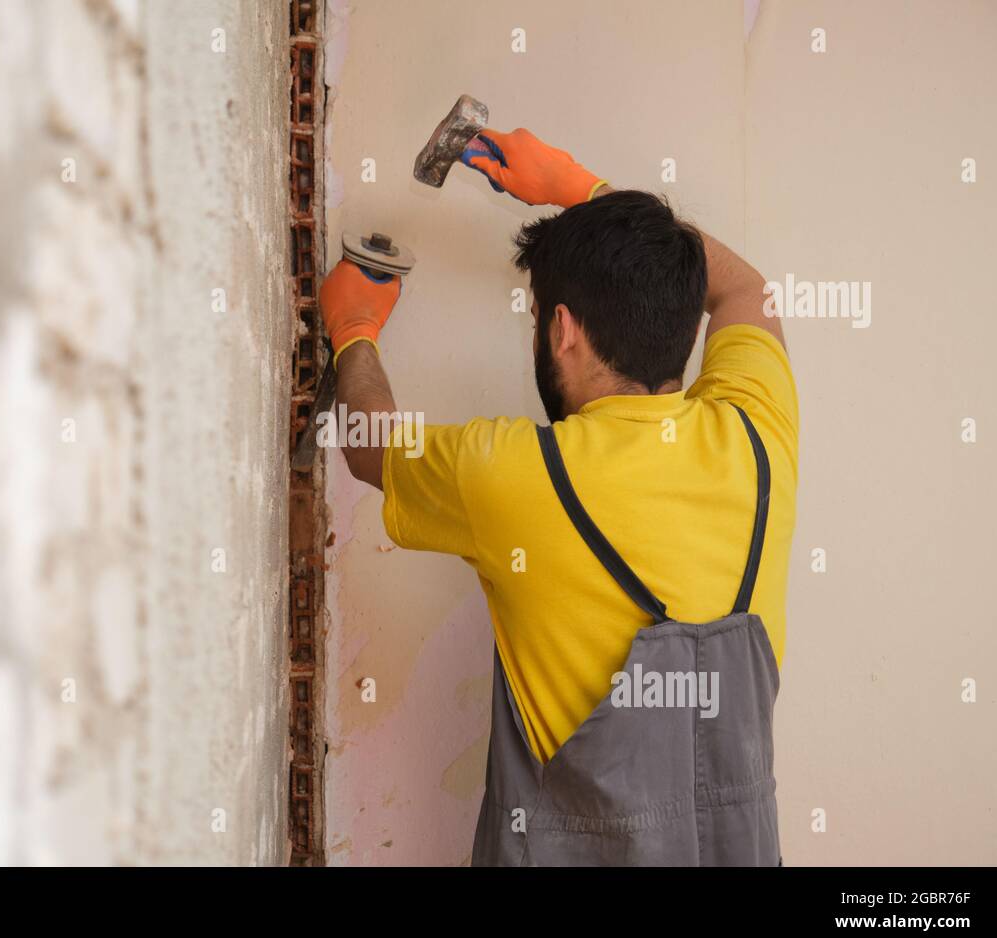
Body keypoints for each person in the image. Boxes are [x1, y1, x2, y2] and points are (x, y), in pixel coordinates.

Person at [319, 126, 798, 866]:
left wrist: (354, 331)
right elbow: (744, 288)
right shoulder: (757, 439)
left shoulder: (517, 472)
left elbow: (365, 442)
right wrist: (586, 193)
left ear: (563, 332)